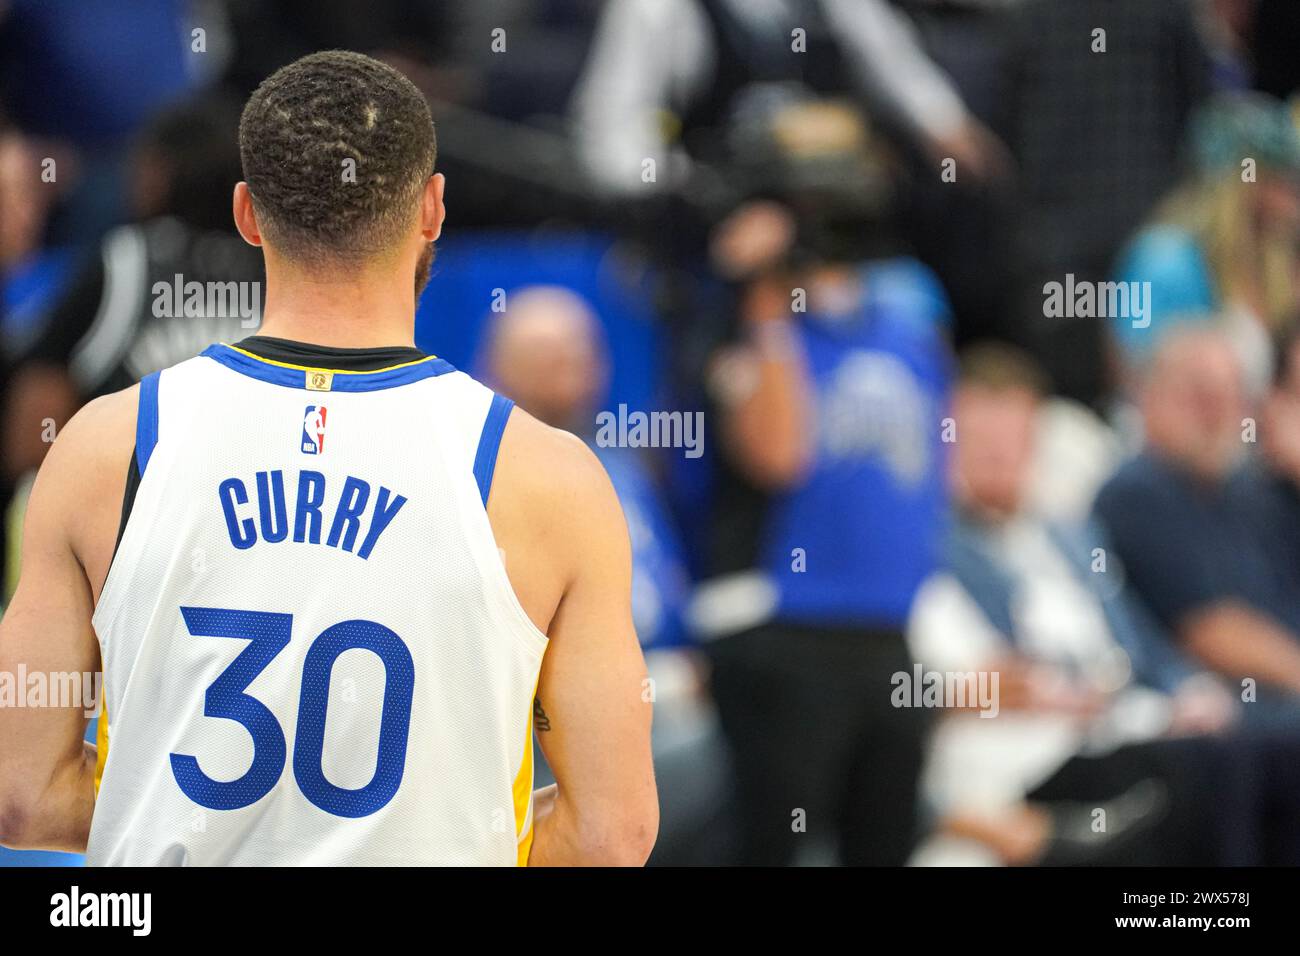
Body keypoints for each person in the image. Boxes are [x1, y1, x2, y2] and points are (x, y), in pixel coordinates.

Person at [0, 51, 657, 866]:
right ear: (432, 209)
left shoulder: (106, 445)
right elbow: (610, 835)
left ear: (247, 213)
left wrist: (179, 800)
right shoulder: (549, 479)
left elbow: (21, 799)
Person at [1093, 328, 1300, 710]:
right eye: (1199, 395)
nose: (1217, 412)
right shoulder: (1138, 491)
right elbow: (1210, 630)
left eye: (1231, 394)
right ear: (1148, 396)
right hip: (1226, 710)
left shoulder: (1252, 492)